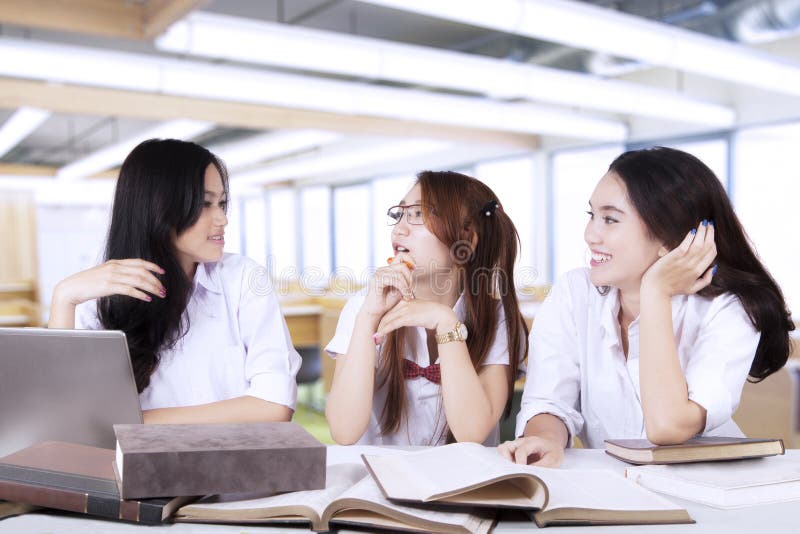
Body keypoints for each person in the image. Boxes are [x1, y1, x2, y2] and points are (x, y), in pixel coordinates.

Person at [499, 146, 794, 467]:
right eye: (591, 216)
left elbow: (668, 426)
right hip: (617, 487)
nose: (590, 234)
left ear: (670, 235)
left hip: (711, 491)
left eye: (610, 219)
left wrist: (656, 293)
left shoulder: (728, 309)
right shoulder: (575, 292)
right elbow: (549, 401)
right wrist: (545, 439)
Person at [49, 138, 301, 424]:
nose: (222, 219)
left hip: (232, 463)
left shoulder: (243, 277)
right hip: (137, 466)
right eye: (205, 204)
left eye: (222, 203)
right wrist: (64, 297)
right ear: (159, 209)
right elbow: (69, 418)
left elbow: (274, 405)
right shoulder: (101, 296)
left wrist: (133, 421)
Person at [325, 171, 529, 446]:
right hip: (376, 482)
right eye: (400, 214)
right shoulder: (362, 308)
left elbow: (472, 433)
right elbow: (343, 431)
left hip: (462, 485)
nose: (398, 229)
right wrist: (368, 318)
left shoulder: (498, 319)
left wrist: (446, 323)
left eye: (419, 215)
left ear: (466, 242)